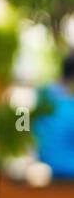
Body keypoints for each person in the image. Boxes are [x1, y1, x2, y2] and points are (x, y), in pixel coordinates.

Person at [34, 50, 74, 179]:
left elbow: (22, 118)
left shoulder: (43, 93)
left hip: (44, 165)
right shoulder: (69, 106)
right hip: (67, 172)